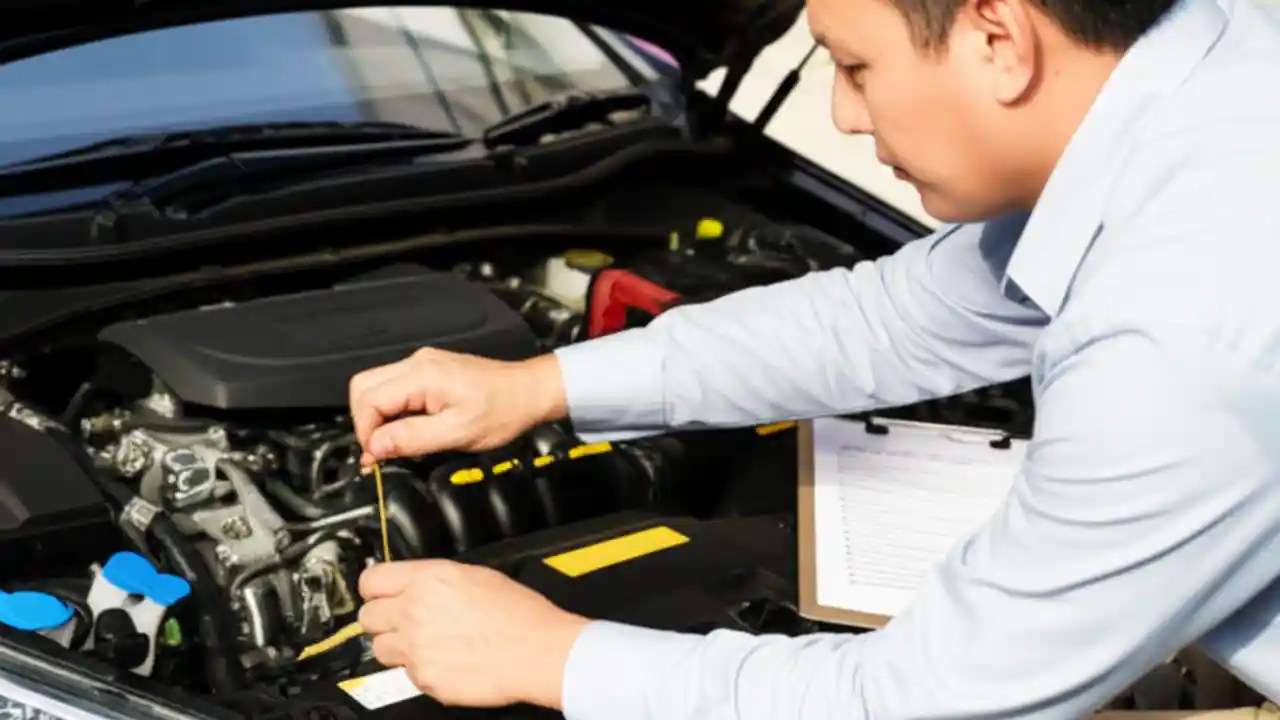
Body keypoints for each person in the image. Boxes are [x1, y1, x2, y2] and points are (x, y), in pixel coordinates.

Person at [345, 0, 1280, 716]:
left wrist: (547, 656)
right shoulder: (1219, 58)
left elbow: (925, 700)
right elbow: (901, 317)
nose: (840, 113)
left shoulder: (1175, 337)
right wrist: (541, 386)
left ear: (999, 38)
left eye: (854, 66)